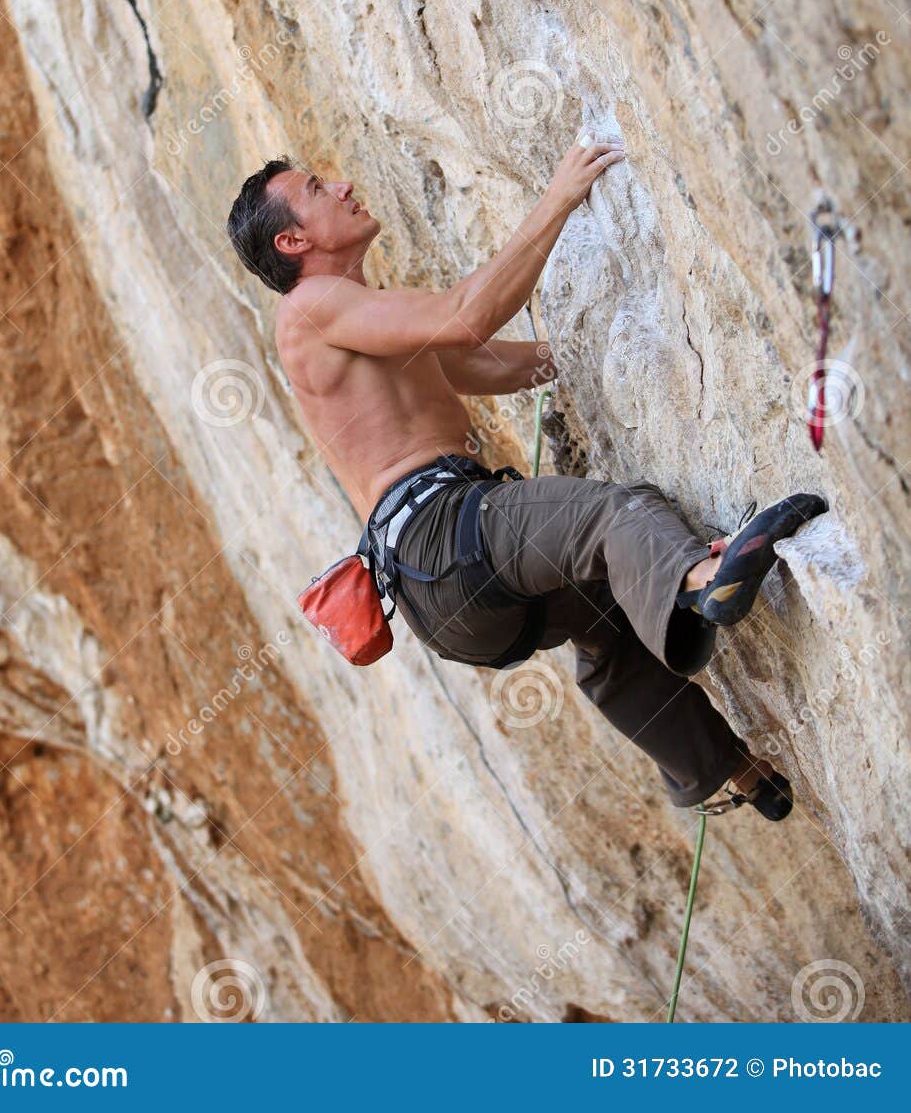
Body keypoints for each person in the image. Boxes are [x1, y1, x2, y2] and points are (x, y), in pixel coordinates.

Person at [226, 142, 825, 820]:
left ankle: (730, 770)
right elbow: (464, 317)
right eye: (315, 187)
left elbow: (492, 367)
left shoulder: (355, 321)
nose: (341, 183)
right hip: (442, 536)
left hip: (445, 601)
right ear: (293, 238)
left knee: (605, 625)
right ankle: (699, 581)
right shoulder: (311, 306)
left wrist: (577, 341)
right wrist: (559, 196)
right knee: (614, 516)